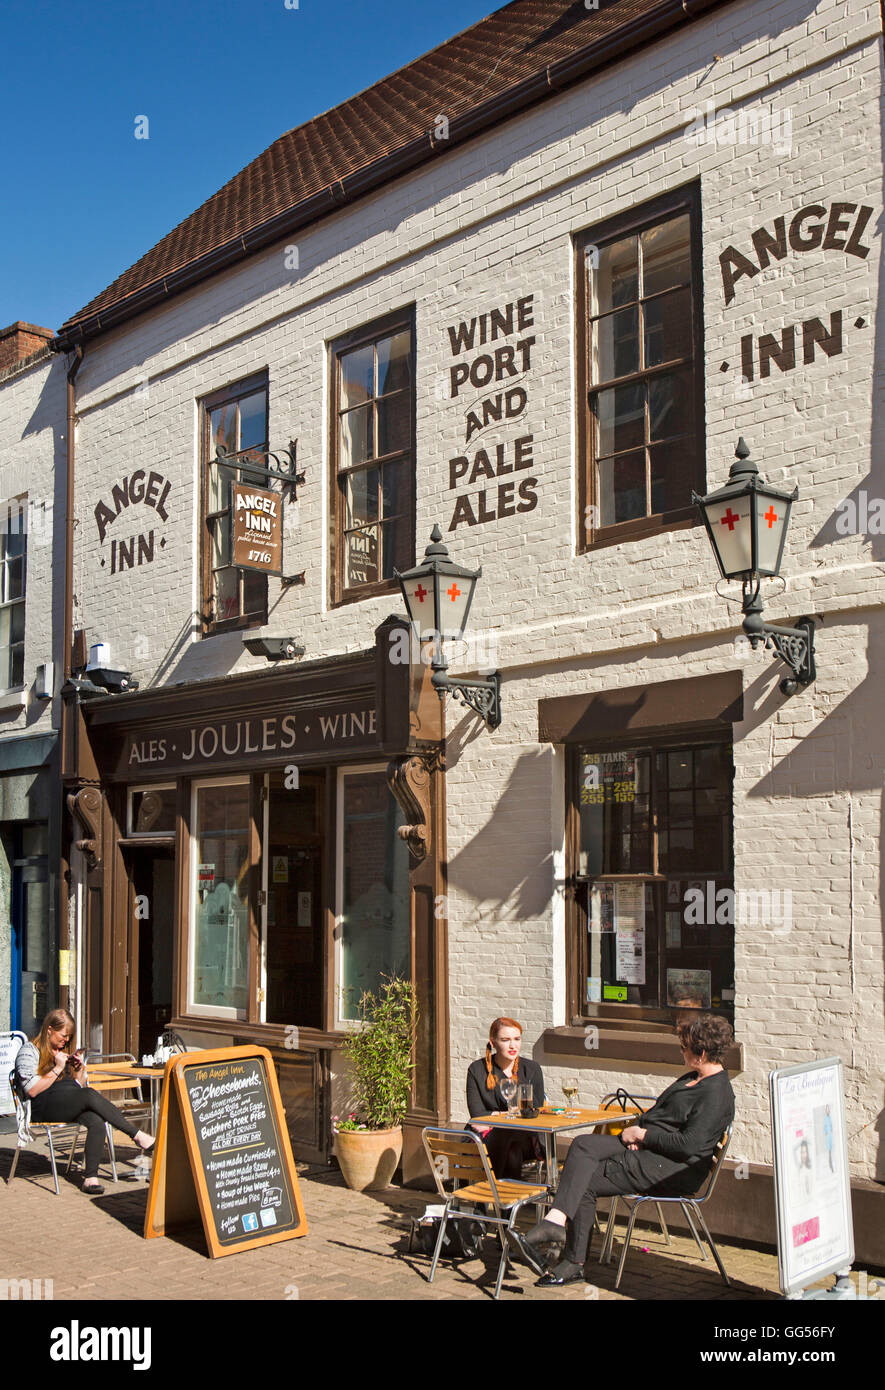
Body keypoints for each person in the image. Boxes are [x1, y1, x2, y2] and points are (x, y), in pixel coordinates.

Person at [508, 1013, 735, 1285]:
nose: (681, 1052)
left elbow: (690, 1145)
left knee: (585, 1180)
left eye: (684, 1047)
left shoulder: (716, 1094)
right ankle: (555, 1224)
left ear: (701, 1052)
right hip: (648, 1149)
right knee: (582, 1145)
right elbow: (658, 1114)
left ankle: (571, 1259)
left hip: (671, 1168)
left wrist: (644, 1135)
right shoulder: (691, 1078)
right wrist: (639, 1133)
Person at [13, 1007, 156, 1194]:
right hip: (40, 1107)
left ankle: (90, 1179)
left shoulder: (62, 1051)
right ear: (49, 1030)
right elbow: (32, 1090)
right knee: (89, 1094)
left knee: (96, 1120)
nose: (65, 1041)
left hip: (62, 1103)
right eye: (63, 1036)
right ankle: (138, 1135)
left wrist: (79, 1069)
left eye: (69, 1038)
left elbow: (76, 1087)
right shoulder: (29, 1051)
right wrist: (57, 1068)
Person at [466, 1017, 545, 1180]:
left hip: (525, 1137)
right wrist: (509, 1117)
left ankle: (488, 1198)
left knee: (511, 1140)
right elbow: (477, 1114)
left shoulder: (531, 1069)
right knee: (512, 1149)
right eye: (505, 1040)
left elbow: (536, 1110)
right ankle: (505, 1203)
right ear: (493, 1042)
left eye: (517, 1039)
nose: (512, 1045)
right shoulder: (477, 1070)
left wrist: (495, 1116)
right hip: (486, 1138)